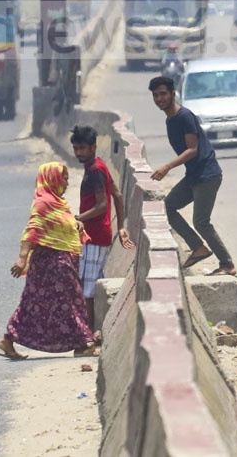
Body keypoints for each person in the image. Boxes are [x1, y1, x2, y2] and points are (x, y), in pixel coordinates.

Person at [0, 163, 99, 360]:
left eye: (67, 178)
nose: (67, 183)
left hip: (56, 264)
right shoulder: (43, 203)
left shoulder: (59, 203)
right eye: (64, 178)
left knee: (33, 303)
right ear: (52, 179)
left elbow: (57, 227)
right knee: (73, 301)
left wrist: (75, 224)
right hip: (53, 264)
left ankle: (8, 340)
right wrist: (22, 257)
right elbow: (32, 231)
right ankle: (82, 344)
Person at [148, 76, 236, 276]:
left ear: (173, 94)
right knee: (168, 207)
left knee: (201, 221)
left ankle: (227, 264)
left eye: (163, 94)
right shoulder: (170, 120)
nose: (159, 99)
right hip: (194, 176)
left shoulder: (184, 116)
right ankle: (198, 247)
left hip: (207, 175)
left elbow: (193, 149)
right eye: (155, 95)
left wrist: (167, 167)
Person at [71, 126, 133, 328]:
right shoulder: (96, 167)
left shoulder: (96, 170)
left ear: (93, 147)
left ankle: (89, 336)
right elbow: (118, 194)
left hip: (96, 236)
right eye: (76, 148)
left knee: (87, 291)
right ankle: (100, 328)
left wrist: (78, 218)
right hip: (96, 235)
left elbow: (103, 205)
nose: (79, 152)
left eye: (82, 148)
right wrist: (121, 226)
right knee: (94, 283)